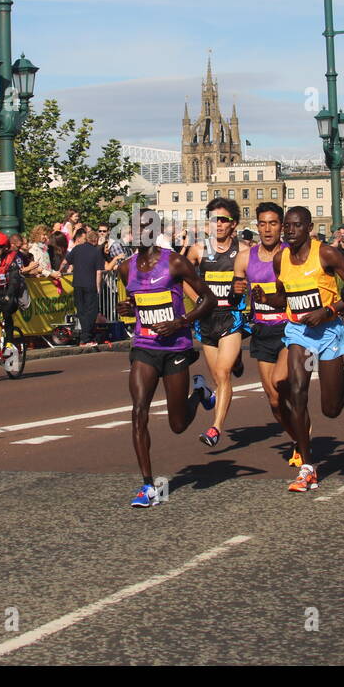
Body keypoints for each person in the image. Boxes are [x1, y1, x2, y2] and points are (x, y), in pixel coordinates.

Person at [253, 206, 344, 493]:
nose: (289, 231)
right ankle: (307, 466)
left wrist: (327, 312)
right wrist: (266, 297)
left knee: (331, 409)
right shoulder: (281, 259)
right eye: (287, 227)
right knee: (297, 389)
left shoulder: (326, 254)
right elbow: (283, 297)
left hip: (328, 333)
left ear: (309, 227)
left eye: (296, 226)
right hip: (298, 333)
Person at [114, 216, 217, 507]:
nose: (136, 232)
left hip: (176, 347)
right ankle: (147, 486)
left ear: (155, 232)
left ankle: (199, 392)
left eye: (143, 227)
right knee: (138, 411)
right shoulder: (126, 268)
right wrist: (128, 306)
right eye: (132, 227)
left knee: (178, 424)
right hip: (145, 347)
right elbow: (137, 302)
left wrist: (180, 322)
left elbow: (207, 300)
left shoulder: (175, 263)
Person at [185, 197, 249, 446]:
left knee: (223, 374)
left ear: (234, 224)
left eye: (224, 220)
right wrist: (199, 301)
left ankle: (215, 428)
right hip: (206, 321)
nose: (219, 224)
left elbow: (258, 276)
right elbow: (183, 277)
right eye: (214, 220)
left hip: (231, 318)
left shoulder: (243, 250)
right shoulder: (198, 250)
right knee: (217, 377)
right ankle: (206, 391)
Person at [234, 202, 291, 458]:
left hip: (291, 330)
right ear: (257, 226)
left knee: (284, 385)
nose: (268, 229)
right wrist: (234, 292)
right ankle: (297, 435)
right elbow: (236, 297)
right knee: (274, 399)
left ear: (281, 226)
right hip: (262, 330)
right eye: (263, 224)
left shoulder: (293, 254)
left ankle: (302, 439)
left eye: (273, 223)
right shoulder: (245, 257)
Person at [65, 226, 105, 347]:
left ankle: (86, 337)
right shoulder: (97, 252)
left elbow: (65, 261)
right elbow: (98, 272)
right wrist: (98, 287)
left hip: (77, 284)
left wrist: (58, 271)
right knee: (91, 312)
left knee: (81, 311)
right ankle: (86, 338)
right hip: (90, 285)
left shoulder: (77, 249)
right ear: (96, 240)